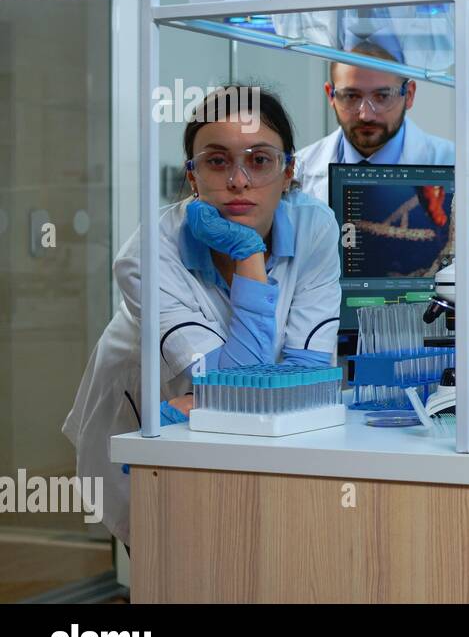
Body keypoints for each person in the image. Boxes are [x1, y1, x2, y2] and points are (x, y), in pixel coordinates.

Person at [63, 86, 342, 546]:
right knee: (175, 565)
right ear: (192, 176)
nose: (238, 180)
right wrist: (249, 252)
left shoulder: (315, 226)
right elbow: (226, 386)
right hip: (146, 431)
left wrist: (234, 393)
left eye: (259, 160)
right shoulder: (149, 254)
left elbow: (310, 373)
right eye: (217, 161)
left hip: (228, 428)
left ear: (289, 171)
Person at [295, 42, 456, 202]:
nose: (366, 115)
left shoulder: (455, 164)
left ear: (409, 95)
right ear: (331, 95)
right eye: (351, 96)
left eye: (382, 96)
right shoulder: (299, 170)